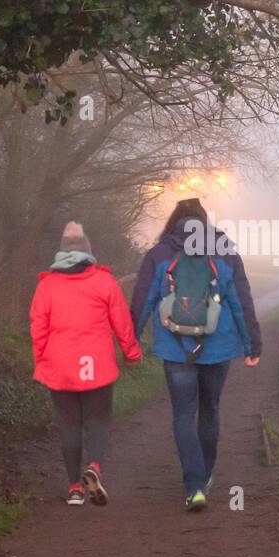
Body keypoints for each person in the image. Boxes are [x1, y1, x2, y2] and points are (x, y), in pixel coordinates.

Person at [131, 198, 262, 511]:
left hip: (175, 349)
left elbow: (142, 301)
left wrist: (130, 341)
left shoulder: (159, 254)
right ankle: (205, 473)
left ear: (175, 222)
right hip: (218, 349)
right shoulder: (226, 253)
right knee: (210, 409)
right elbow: (241, 303)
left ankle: (194, 485)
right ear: (206, 223)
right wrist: (252, 345)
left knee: (183, 414)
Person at [30, 221, 142, 506]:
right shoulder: (104, 282)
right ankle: (94, 466)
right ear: (89, 250)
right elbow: (122, 324)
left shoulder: (47, 285)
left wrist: (41, 362)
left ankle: (73, 489)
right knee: (98, 421)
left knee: (69, 426)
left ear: (61, 252)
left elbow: (38, 329)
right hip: (98, 366)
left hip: (61, 366)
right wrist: (132, 354)